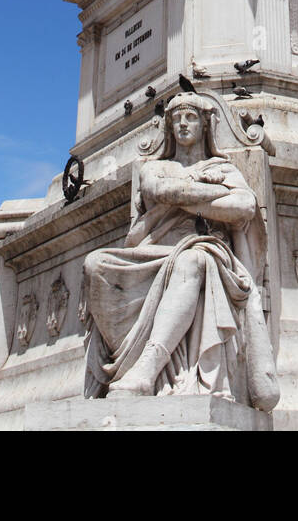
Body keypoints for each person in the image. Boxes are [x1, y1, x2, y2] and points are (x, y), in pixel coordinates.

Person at [82, 92, 279, 411]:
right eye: (175, 119)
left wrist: (184, 194)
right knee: (95, 264)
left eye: (190, 118)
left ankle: (148, 369)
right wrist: (214, 194)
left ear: (204, 125)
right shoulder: (157, 167)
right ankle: (127, 359)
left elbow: (244, 206)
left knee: (193, 260)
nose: (182, 124)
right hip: (155, 250)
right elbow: (158, 189)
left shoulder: (222, 166)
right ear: (168, 129)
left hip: (206, 248)